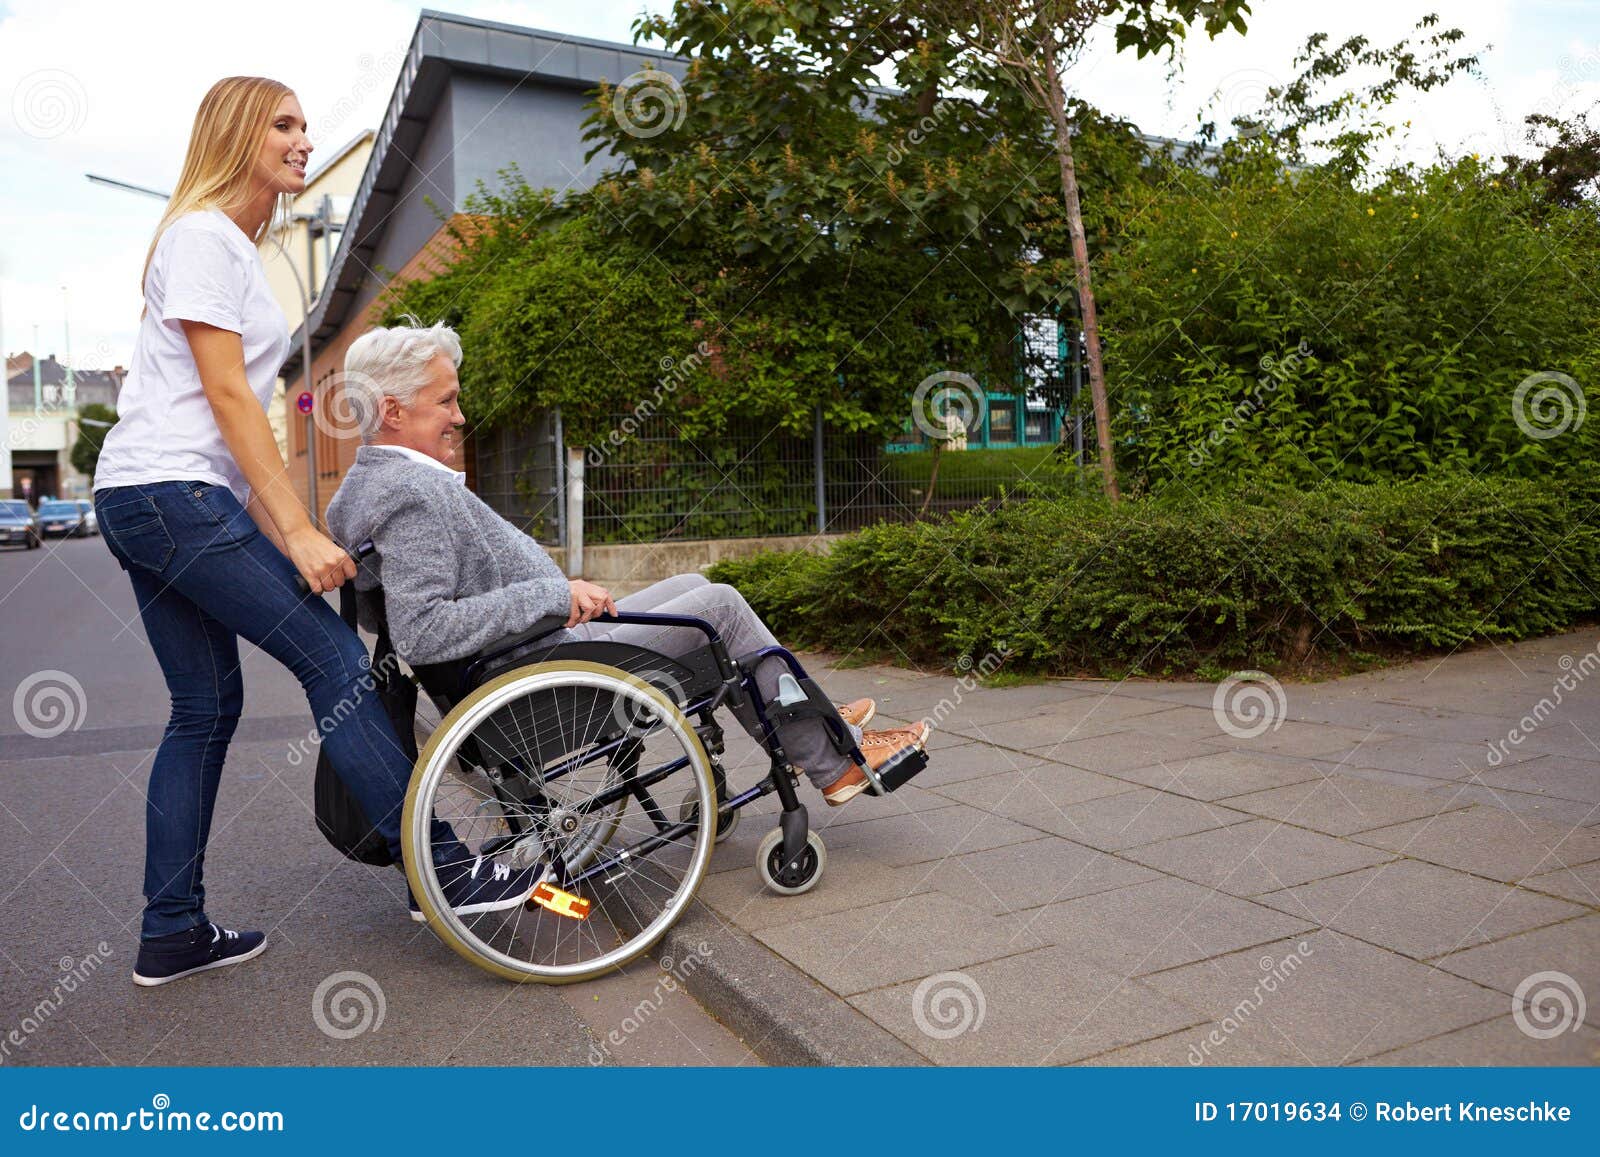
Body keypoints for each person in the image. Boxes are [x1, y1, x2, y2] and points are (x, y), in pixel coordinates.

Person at [93, 78, 540, 988]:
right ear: (235, 134)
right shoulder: (205, 238)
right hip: (171, 495)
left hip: (155, 496)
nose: (304, 140)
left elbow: (230, 427)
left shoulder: (228, 248)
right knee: (338, 662)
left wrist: (283, 522)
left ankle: (170, 929)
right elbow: (227, 401)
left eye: (306, 125)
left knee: (204, 708)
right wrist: (295, 529)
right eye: (285, 124)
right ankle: (443, 875)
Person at [325, 320, 931, 803]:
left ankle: (801, 715)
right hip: (535, 677)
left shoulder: (373, 486)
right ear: (394, 410)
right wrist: (553, 596)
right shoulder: (409, 496)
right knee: (717, 607)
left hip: (533, 656)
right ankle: (834, 757)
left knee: (697, 583)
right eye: (446, 401)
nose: (459, 417)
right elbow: (423, 629)